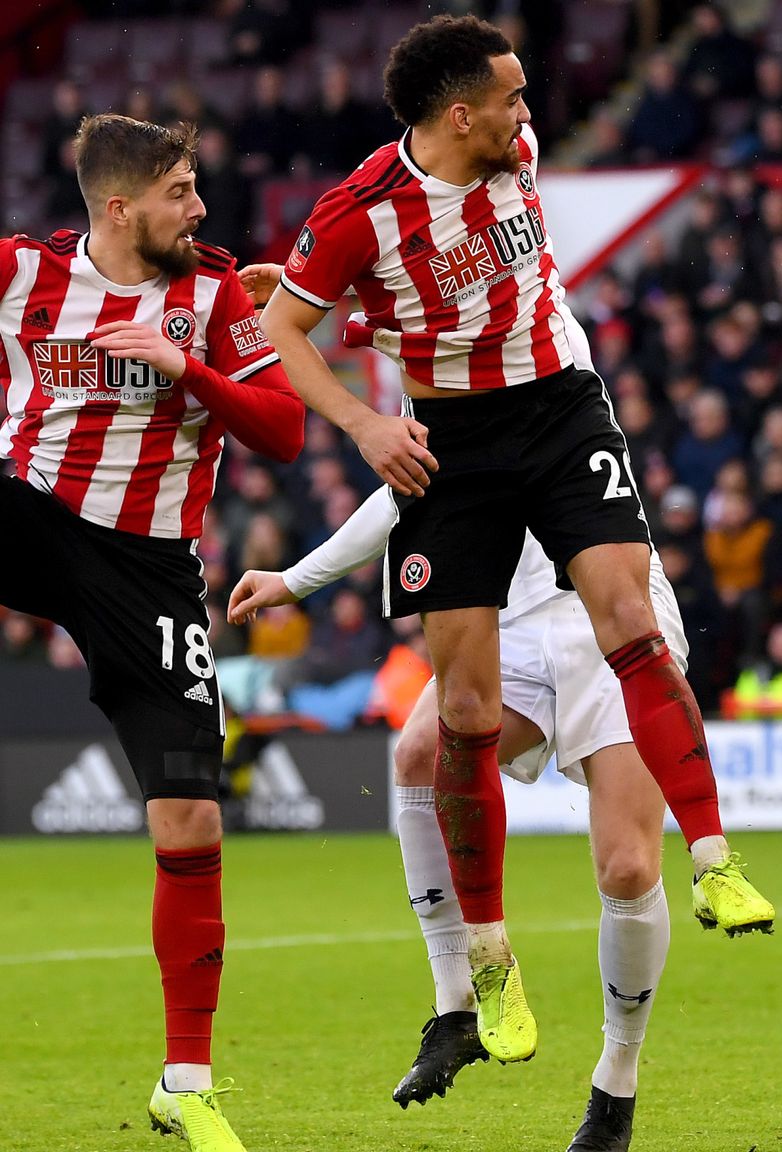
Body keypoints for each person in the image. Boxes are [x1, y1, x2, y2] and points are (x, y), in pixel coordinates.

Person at [257, 17, 731, 1106]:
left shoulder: (547, 320)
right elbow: (394, 410)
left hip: (594, 610)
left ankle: (615, 1083)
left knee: (627, 865)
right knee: (422, 752)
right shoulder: (383, 228)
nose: (530, 115)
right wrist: (345, 322)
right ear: (460, 112)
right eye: (512, 97)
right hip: (506, 616)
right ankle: (461, 999)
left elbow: (455, 300)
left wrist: (355, 312)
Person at [0, 114, 306, 1151]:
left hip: (152, 570)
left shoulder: (215, 295)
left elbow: (284, 431)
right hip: (35, 517)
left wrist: (187, 371)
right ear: (122, 208)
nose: (202, 207)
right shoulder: (21, 272)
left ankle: (186, 1082)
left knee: (191, 824)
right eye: (182, 191)